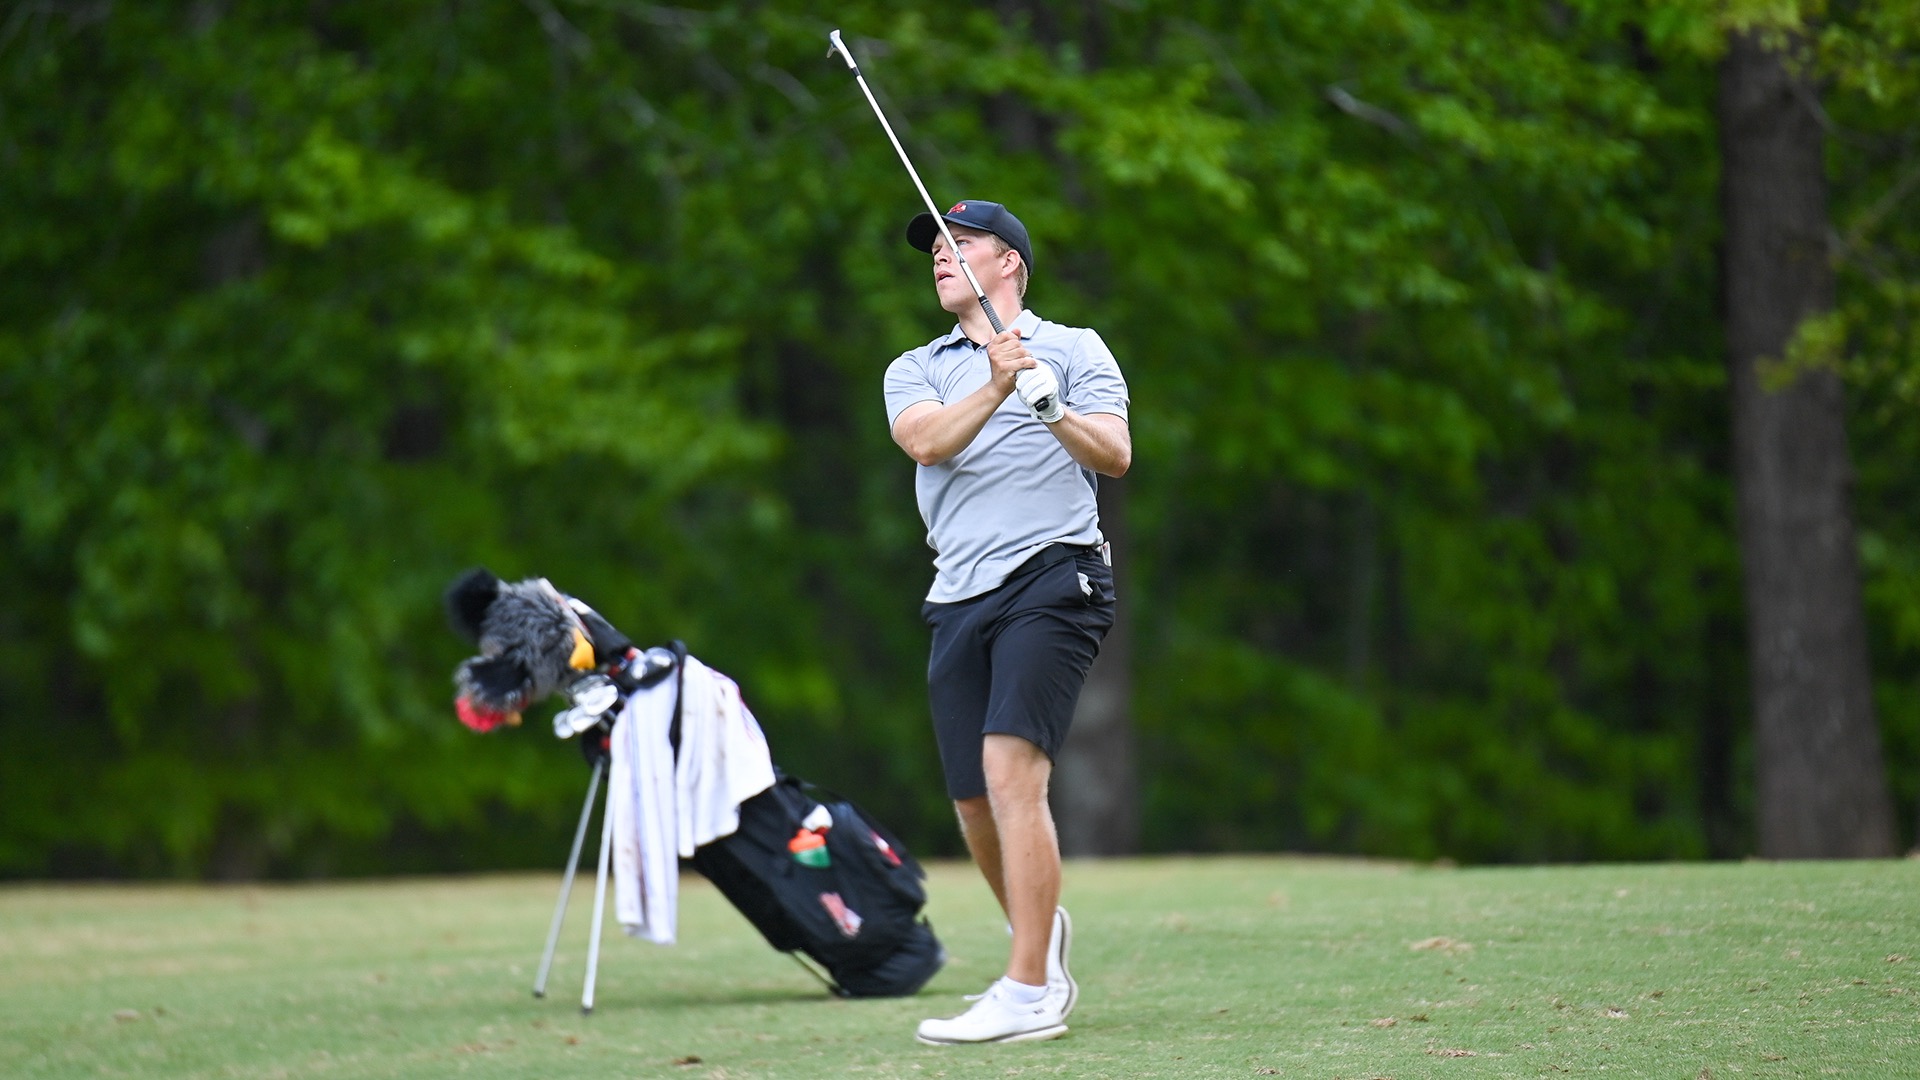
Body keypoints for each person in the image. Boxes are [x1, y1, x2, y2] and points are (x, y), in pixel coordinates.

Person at [881, 199, 1131, 1044]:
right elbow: (926, 443)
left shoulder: (1076, 349)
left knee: (1010, 771)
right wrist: (995, 383)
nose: (941, 257)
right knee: (972, 805)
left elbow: (1116, 454)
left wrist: (1052, 408)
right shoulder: (914, 366)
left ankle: (1028, 991)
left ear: (1010, 264)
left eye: (962, 244)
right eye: (935, 249)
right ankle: (1042, 936)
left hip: (1056, 576)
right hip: (958, 593)